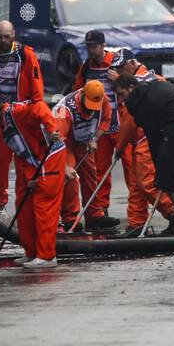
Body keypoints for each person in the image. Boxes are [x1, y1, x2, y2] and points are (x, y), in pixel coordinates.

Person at [0, 98, 67, 268]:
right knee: (23, 204)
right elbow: (21, 149)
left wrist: (52, 129)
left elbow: (39, 106)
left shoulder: (15, 112)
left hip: (49, 155)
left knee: (43, 204)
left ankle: (46, 256)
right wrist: (27, 177)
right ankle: (31, 253)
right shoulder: (2, 126)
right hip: (31, 161)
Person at [0, 20, 44, 217]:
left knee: (27, 161)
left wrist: (36, 111)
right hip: (1, 117)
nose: (4, 40)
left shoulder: (26, 55)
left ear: (13, 34)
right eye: (0, 37)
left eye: (7, 36)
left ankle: (27, 201)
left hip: (23, 116)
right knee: (1, 162)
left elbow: (37, 86)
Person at [106, 51, 174, 237]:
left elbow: (129, 121)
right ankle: (137, 223)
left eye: (121, 68)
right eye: (117, 69)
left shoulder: (136, 86)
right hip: (142, 136)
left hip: (148, 134)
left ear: (132, 63)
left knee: (147, 182)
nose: (119, 72)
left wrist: (120, 146)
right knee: (136, 184)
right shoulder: (147, 77)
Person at [113, 74, 174, 233]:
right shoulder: (144, 91)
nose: (121, 100)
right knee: (169, 175)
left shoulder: (141, 101)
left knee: (168, 176)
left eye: (122, 94)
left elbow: (152, 133)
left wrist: (159, 164)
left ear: (131, 87)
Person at [72, 31, 122, 230]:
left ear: (103, 45)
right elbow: (77, 91)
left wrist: (117, 78)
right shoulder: (86, 66)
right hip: (98, 127)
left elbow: (132, 85)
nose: (91, 50)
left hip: (119, 123)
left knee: (132, 170)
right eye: (88, 46)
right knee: (99, 171)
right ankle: (101, 211)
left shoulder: (117, 62)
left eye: (94, 46)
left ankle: (139, 218)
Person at [54, 80, 116, 233]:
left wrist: (94, 139)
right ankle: (70, 219)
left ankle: (94, 216)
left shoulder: (102, 100)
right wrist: (65, 166)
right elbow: (56, 140)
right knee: (71, 179)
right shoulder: (65, 110)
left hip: (84, 142)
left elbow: (105, 121)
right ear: (82, 95)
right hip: (65, 145)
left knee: (91, 176)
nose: (92, 109)